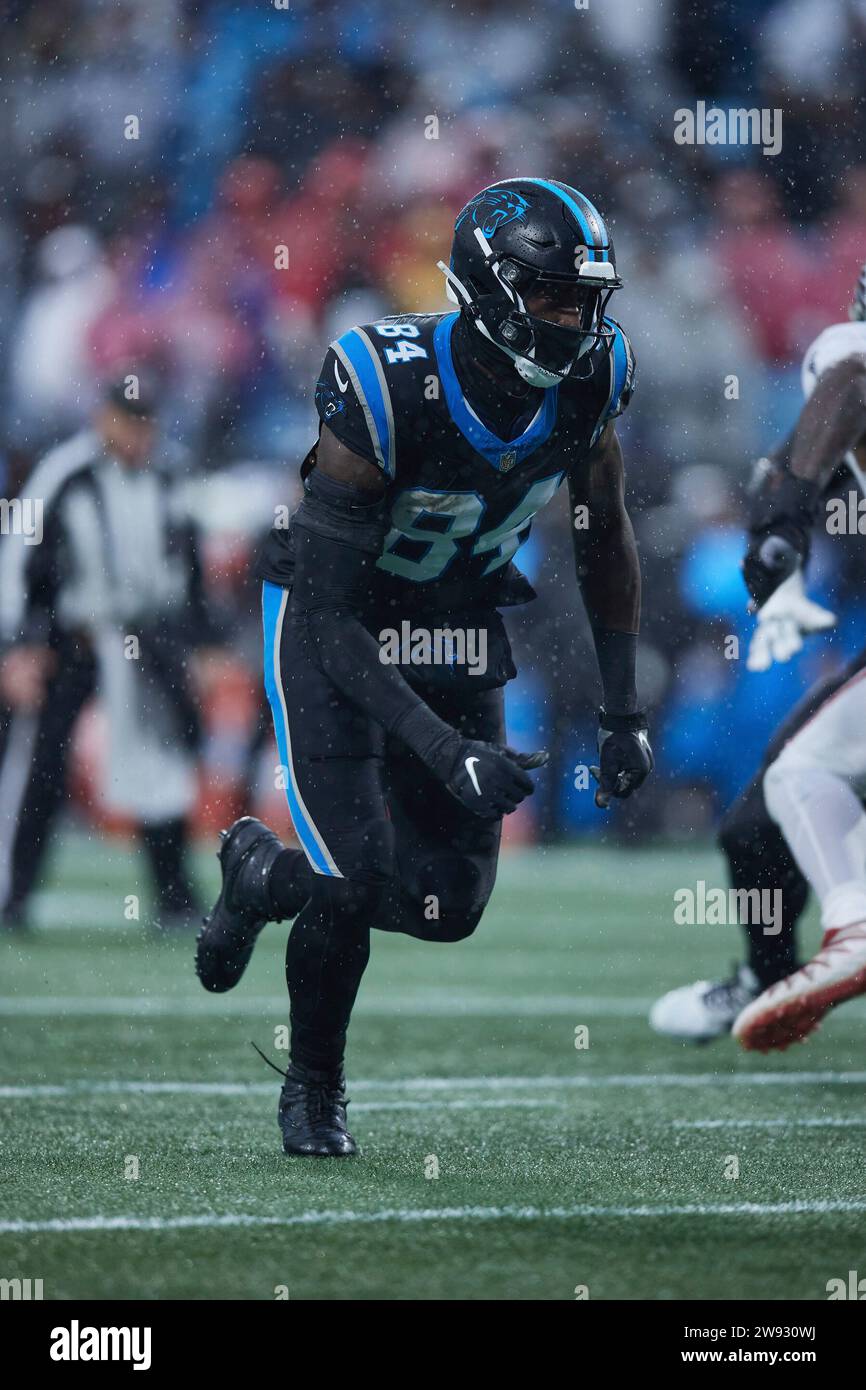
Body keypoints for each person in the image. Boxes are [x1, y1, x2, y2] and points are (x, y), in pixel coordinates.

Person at [196, 179, 654, 1156]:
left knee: (447, 906)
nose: (575, 320)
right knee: (354, 875)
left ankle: (259, 875)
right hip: (335, 619)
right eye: (551, 296)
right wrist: (446, 752)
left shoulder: (592, 376)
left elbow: (602, 532)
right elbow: (326, 614)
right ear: (488, 291)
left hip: (453, 611)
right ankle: (315, 1090)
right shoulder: (383, 380)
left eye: (586, 298)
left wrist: (622, 712)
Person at [651, 265, 866, 1051]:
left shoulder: (849, 358)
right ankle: (767, 973)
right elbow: (809, 445)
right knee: (755, 824)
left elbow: (850, 371)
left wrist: (781, 522)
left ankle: (852, 930)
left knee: (799, 778)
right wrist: (782, 537)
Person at [0, 375, 216, 931]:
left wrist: (200, 642)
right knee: (41, 765)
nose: (138, 433)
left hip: (148, 639)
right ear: (103, 417)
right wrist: (22, 643)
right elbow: (24, 558)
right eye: (128, 419)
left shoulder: (172, 477)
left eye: (146, 421)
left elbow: (191, 568)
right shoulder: (65, 474)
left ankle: (173, 896)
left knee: (161, 759)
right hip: (74, 639)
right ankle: (14, 890)